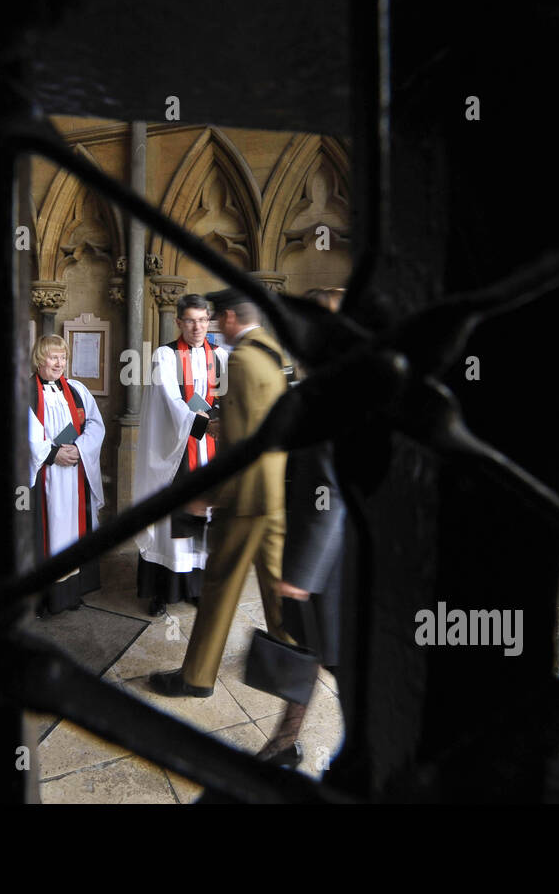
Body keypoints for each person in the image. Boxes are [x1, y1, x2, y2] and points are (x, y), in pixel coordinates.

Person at [150, 288, 293, 698]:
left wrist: (208, 494)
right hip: (272, 497)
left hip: (245, 501)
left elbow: (241, 446)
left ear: (229, 317)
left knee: (218, 591)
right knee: (277, 596)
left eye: (213, 319)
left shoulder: (244, 361)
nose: (209, 326)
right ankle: (296, 670)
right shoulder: (272, 353)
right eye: (197, 319)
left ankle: (195, 678)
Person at [256, 286, 348, 766]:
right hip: (328, 561)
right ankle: (284, 743)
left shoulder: (336, 392)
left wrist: (301, 575)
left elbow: (331, 490)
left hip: (335, 568)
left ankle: (365, 760)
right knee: (312, 655)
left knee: (338, 660)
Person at [133, 294, 230, 617]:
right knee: (170, 522)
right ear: (178, 322)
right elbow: (172, 401)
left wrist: (223, 421)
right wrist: (206, 422)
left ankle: (195, 587)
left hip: (210, 450)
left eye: (203, 320)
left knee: (203, 520)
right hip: (175, 449)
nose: (197, 327)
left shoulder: (220, 356)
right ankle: (162, 591)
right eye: (190, 320)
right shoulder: (165, 355)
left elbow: (228, 398)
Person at [28, 334, 106, 614]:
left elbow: (96, 425)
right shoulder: (26, 392)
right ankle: (46, 599)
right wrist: (52, 454)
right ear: (39, 359)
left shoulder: (76, 390)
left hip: (74, 476)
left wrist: (79, 448)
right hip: (46, 475)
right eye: (53, 357)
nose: (59, 363)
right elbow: (22, 433)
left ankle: (71, 594)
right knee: (49, 535)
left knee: (73, 535)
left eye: (62, 357)